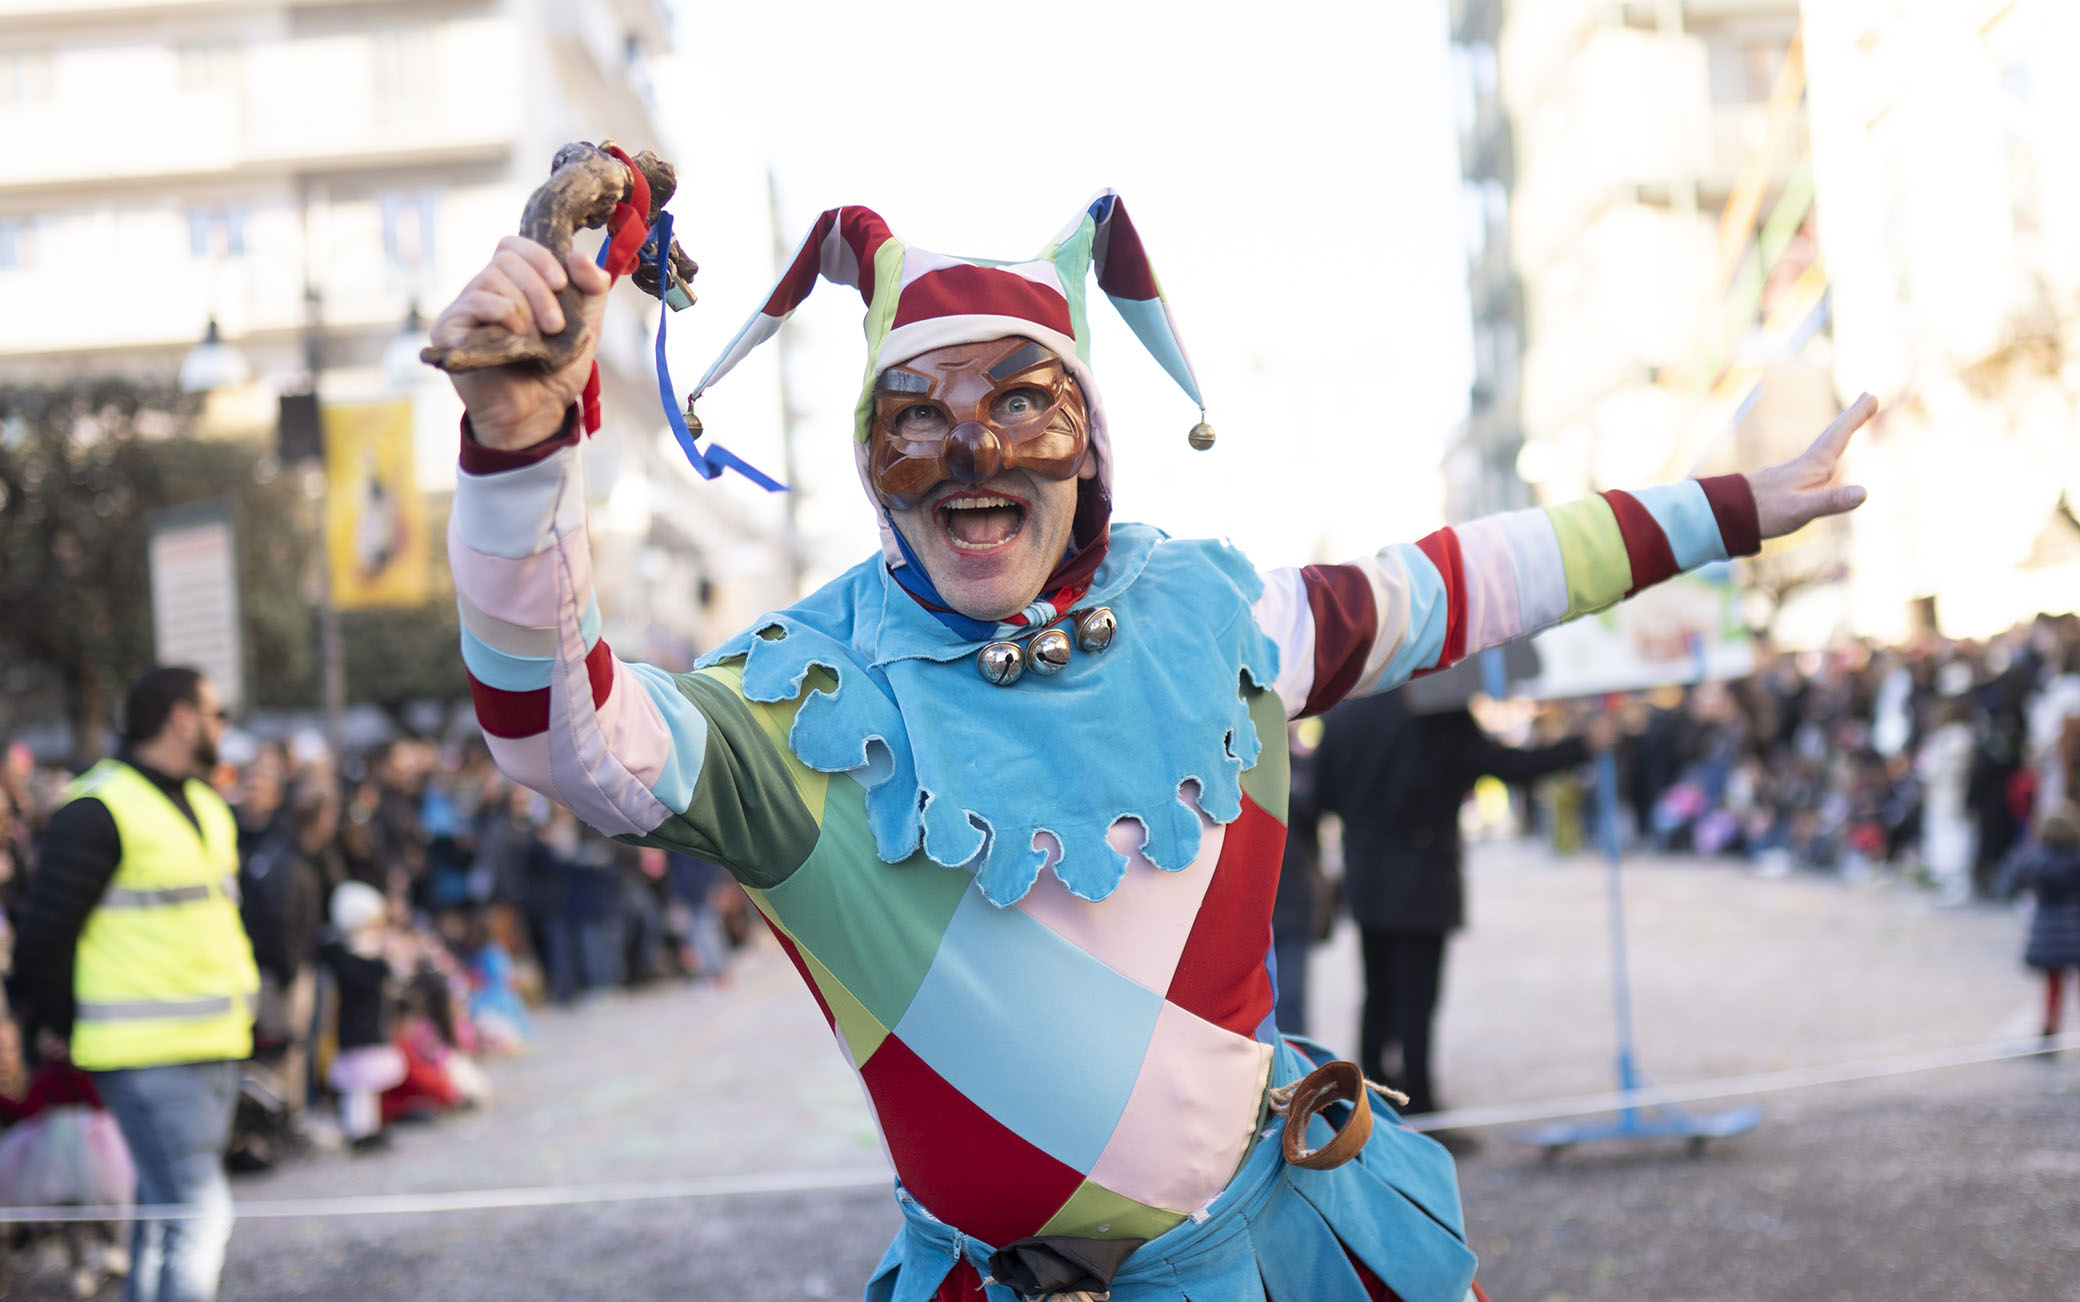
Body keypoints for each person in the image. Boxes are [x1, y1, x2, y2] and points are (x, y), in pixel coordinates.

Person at [428, 189, 1873, 1301]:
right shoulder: (802, 706)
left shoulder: (1219, 619)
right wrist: (517, 454)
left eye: (1020, 407)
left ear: (1091, 446)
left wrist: (1732, 504)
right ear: (876, 460)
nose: (975, 458)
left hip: (1274, 1247)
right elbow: (571, 740)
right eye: (918, 423)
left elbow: (1467, 579)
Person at [14, 666, 259, 1302]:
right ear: (181, 719)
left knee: (163, 1215)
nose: (221, 726)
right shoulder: (97, 808)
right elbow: (44, 935)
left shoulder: (205, 803)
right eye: (215, 712)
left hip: (212, 1041)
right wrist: (65, 1026)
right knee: (201, 1212)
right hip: (146, 1053)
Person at [1313, 694, 1607, 1151]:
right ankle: (1421, 1111)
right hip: (1424, 874)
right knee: (1417, 1003)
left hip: (1368, 873)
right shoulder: (1437, 710)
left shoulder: (1345, 713)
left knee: (1378, 994)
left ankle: (1367, 1109)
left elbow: (1323, 796)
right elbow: (1507, 765)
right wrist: (1582, 746)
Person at [1998, 803, 2080, 1051]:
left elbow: (2016, 872)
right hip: (2076, 929)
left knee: (2053, 985)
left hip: (2050, 931)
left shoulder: (2039, 861)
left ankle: (2049, 1029)